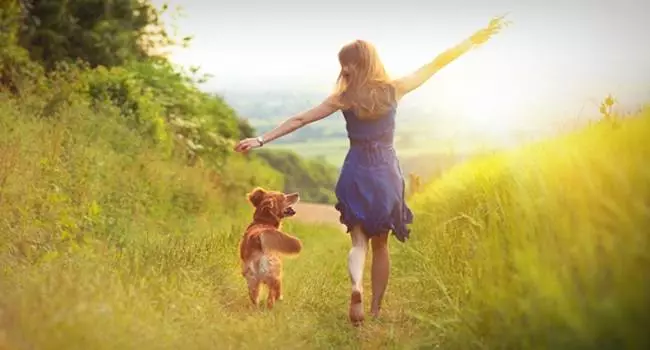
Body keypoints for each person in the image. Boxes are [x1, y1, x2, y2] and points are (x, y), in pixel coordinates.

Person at [234, 17, 505, 326]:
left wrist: (260, 139)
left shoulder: (344, 97)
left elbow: (300, 120)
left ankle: (355, 286)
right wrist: (473, 40)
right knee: (381, 245)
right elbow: (435, 64)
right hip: (386, 172)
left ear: (348, 65)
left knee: (358, 243)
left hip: (356, 171)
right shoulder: (395, 88)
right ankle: (374, 309)